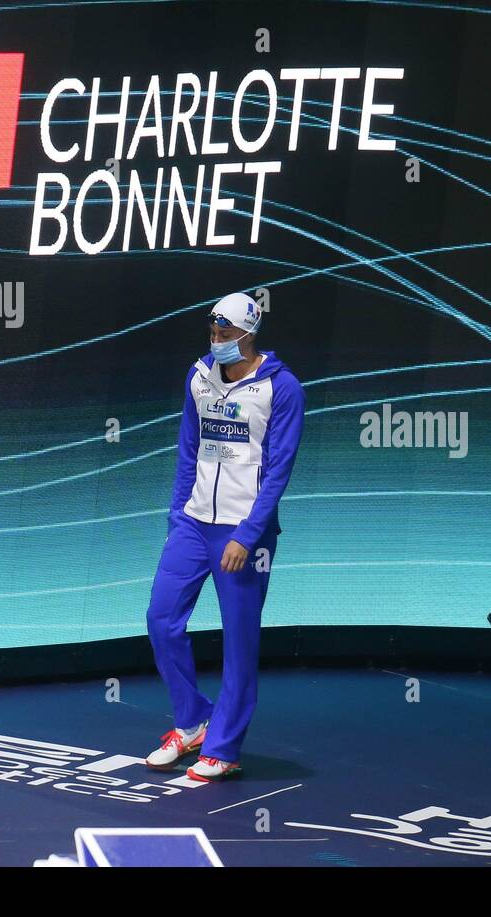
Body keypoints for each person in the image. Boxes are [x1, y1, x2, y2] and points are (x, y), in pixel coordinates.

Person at [145, 291, 306, 781]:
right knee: (161, 618)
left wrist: (249, 534)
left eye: (226, 334)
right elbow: (188, 451)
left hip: (244, 533)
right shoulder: (198, 378)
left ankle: (225, 747)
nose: (217, 342)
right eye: (213, 333)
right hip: (193, 524)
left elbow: (278, 470)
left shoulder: (283, 388)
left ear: (249, 334)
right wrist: (177, 516)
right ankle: (192, 721)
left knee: (239, 641)